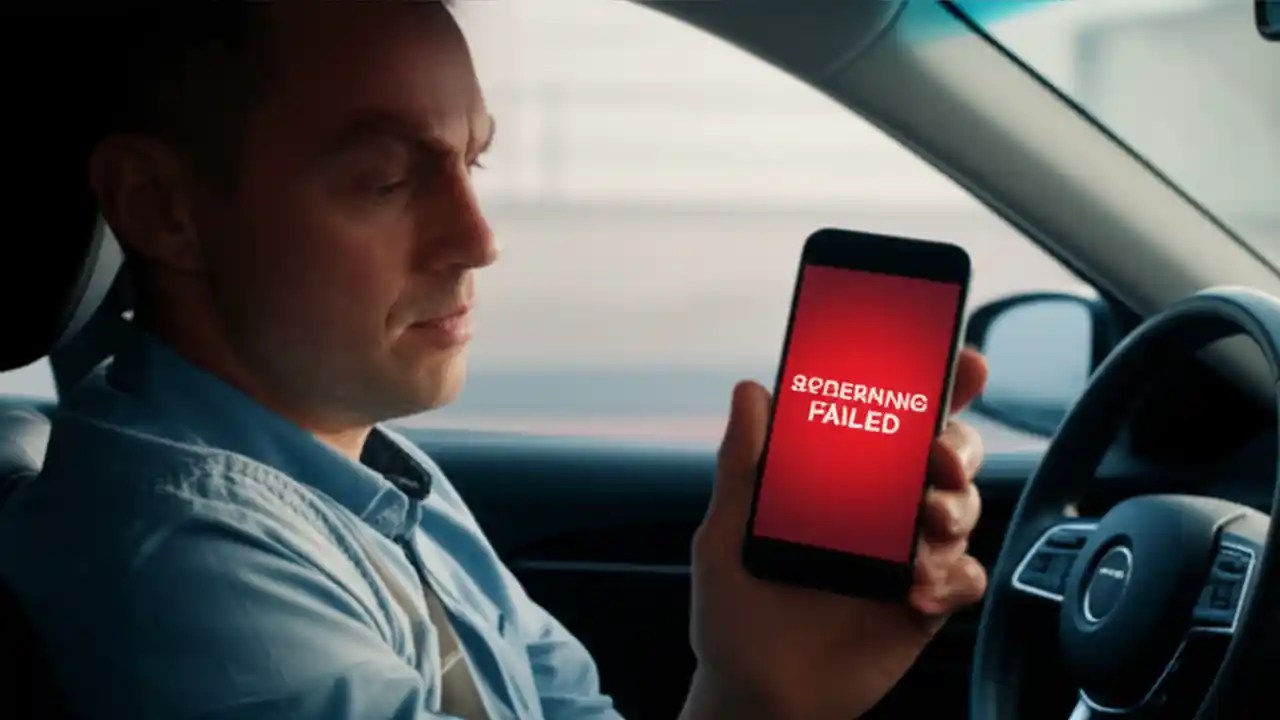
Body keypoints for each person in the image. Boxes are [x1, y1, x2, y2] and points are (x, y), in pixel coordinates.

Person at [0, 3, 988, 719]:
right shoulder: (186, 570)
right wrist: (768, 703)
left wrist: (750, 682)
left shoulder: (364, 472)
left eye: (469, 163)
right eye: (386, 180)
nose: (478, 239)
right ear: (160, 207)